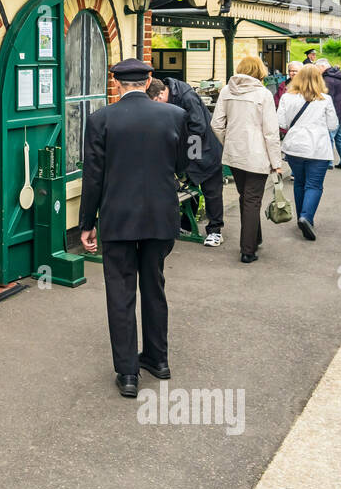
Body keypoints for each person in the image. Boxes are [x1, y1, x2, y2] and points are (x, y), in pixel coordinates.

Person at [79, 59, 190, 399]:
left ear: (116, 84)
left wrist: (86, 223)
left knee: (121, 292)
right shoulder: (174, 116)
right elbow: (183, 164)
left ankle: (128, 373)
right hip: (161, 216)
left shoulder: (100, 120)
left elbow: (93, 176)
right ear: (148, 80)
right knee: (154, 285)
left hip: (118, 217)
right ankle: (158, 359)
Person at [210, 56, 283, 264]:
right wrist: (276, 163)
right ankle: (247, 250)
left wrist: (229, 141)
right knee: (252, 200)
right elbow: (270, 132)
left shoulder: (226, 90)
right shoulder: (263, 94)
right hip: (258, 155)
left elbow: (216, 124)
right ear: (259, 70)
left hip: (235, 154)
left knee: (246, 197)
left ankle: (254, 238)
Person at [149, 76, 226, 247]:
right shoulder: (173, 96)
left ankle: (215, 231)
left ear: (161, 94)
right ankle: (185, 225)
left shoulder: (186, 97)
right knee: (191, 186)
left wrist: (180, 148)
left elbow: (198, 128)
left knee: (211, 191)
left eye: (156, 102)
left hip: (206, 150)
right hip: (192, 151)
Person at [278, 65, 338, 241]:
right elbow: (333, 124)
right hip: (317, 147)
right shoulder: (325, 99)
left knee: (299, 183)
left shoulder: (287, 97)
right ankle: (307, 217)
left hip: (295, 146)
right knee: (314, 185)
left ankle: (300, 217)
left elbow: (280, 121)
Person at [317, 58, 341, 169]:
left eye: (317, 68)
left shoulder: (327, 80)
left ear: (322, 67)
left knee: (329, 137)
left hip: (334, 113)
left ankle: (328, 163)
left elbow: (326, 98)